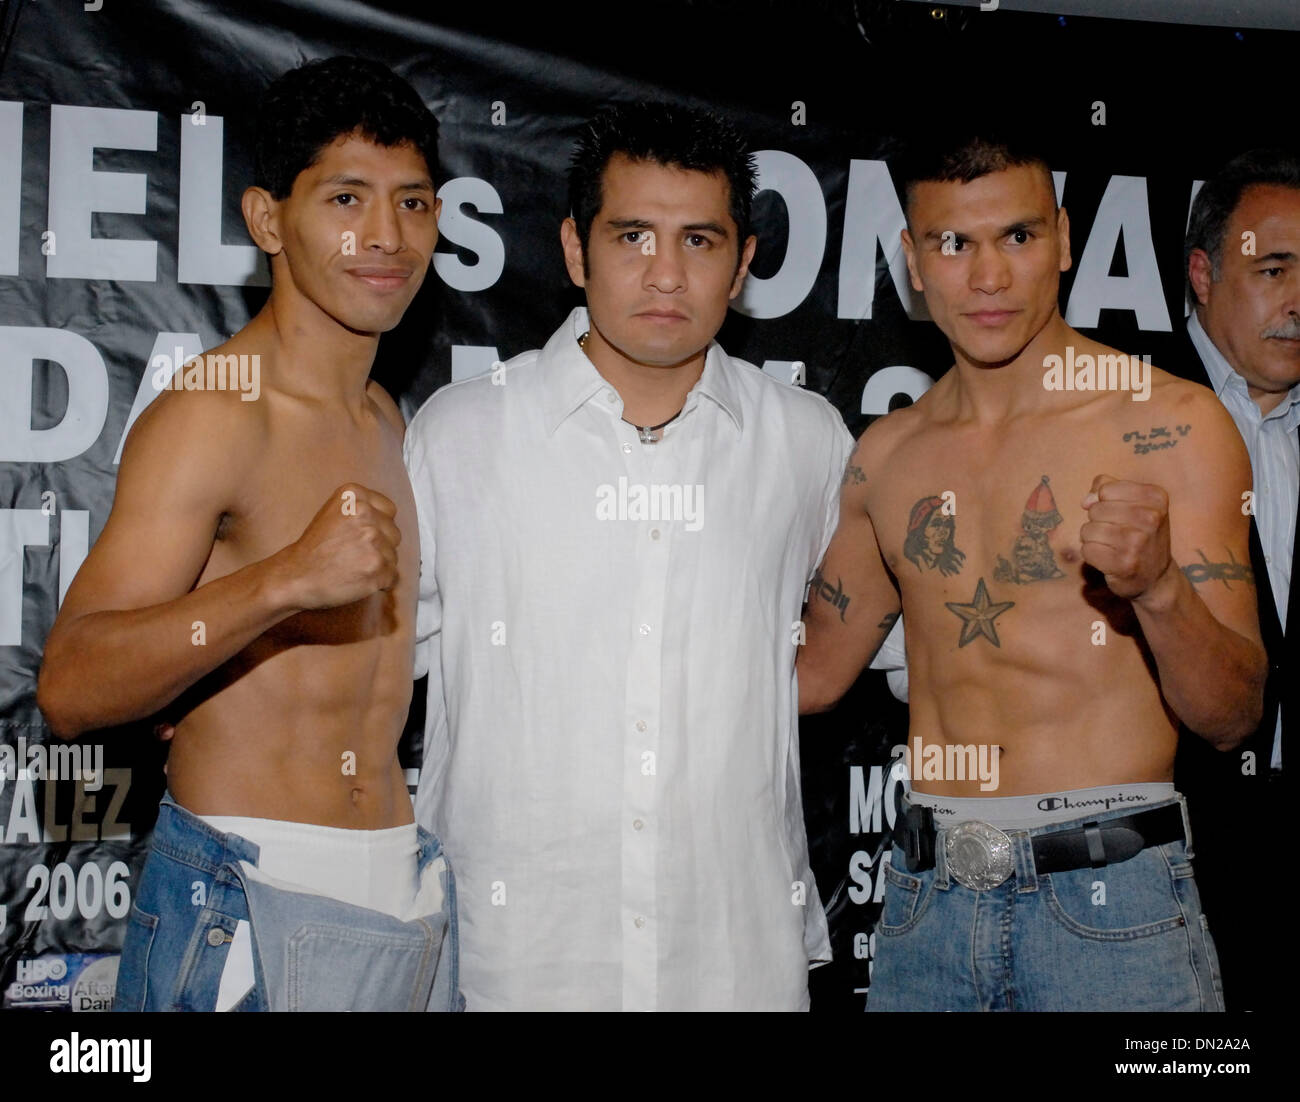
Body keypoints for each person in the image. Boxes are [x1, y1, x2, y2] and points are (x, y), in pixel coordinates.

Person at [797, 132, 1266, 1012]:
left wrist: (1161, 587)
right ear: (912, 260)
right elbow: (812, 676)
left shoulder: (1174, 424)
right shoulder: (887, 457)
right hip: (926, 905)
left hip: (1112, 909)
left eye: (1016, 237)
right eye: (953, 244)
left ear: (1063, 237)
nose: (988, 278)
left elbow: (1235, 716)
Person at [403, 101, 853, 1010]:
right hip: (514, 963)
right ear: (576, 250)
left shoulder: (807, 443)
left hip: (733, 961)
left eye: (699, 240)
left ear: (744, 265)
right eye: (633, 236)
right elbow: (368, 674)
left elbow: (878, 647)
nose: (664, 274)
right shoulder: (462, 434)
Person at [37, 56, 461, 1012]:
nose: (386, 237)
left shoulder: (385, 414)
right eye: (346, 199)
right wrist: (279, 583)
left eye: (414, 203)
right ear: (268, 218)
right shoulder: (215, 412)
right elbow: (68, 686)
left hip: (397, 890)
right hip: (242, 898)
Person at [1176, 148, 1300, 1012]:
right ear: (1204, 274)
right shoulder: (1118, 409)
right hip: (1169, 853)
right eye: (1273, 268)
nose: (1299, 300)